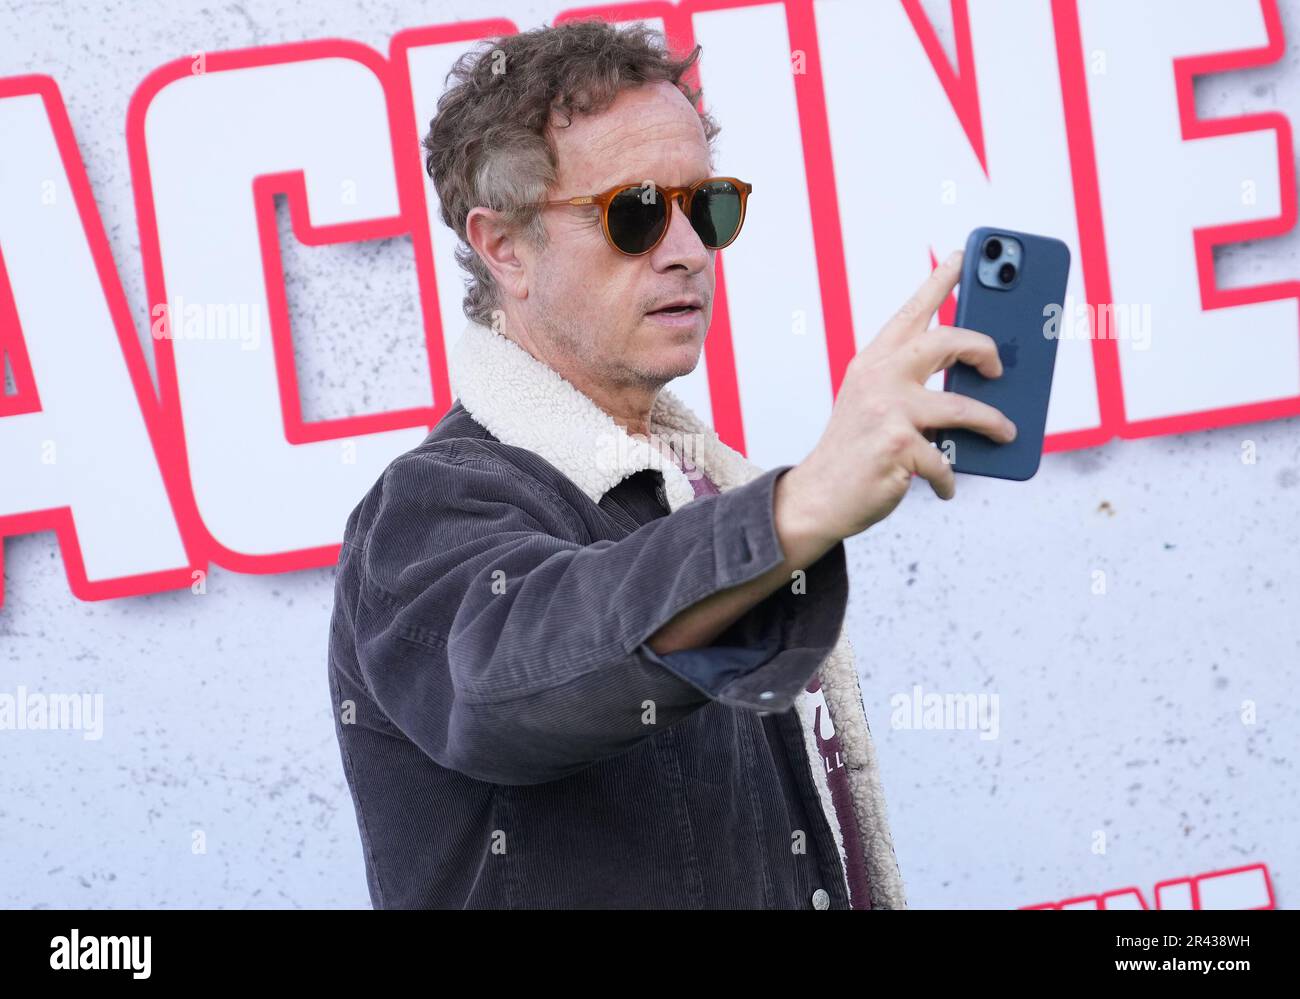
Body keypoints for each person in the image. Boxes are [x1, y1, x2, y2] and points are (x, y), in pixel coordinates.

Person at [326, 18, 1015, 909]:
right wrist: (795, 511)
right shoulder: (427, 507)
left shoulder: (694, 486)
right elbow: (511, 676)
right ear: (504, 247)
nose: (689, 247)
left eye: (709, 206)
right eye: (637, 211)